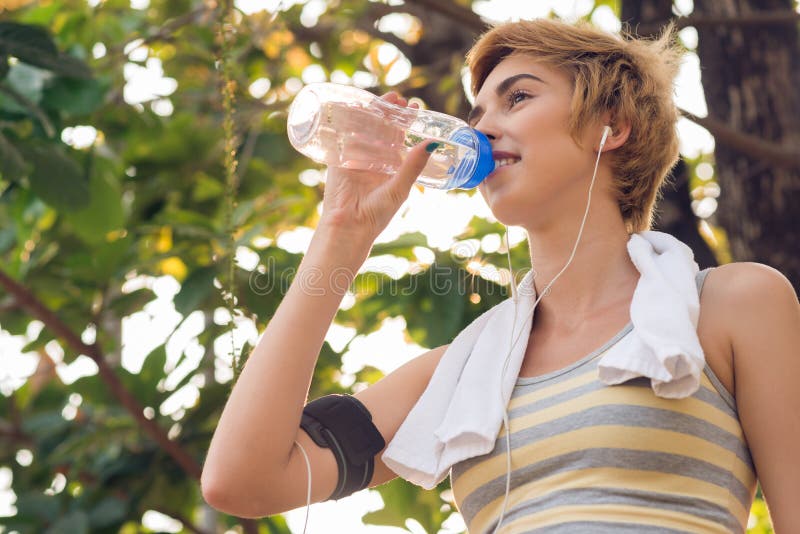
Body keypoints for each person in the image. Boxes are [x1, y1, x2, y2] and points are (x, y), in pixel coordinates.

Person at [201, 17, 800, 533]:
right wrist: (341, 236)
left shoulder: (730, 306)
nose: (478, 129)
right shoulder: (463, 370)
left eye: (517, 98)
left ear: (608, 128)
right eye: (477, 110)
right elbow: (242, 481)